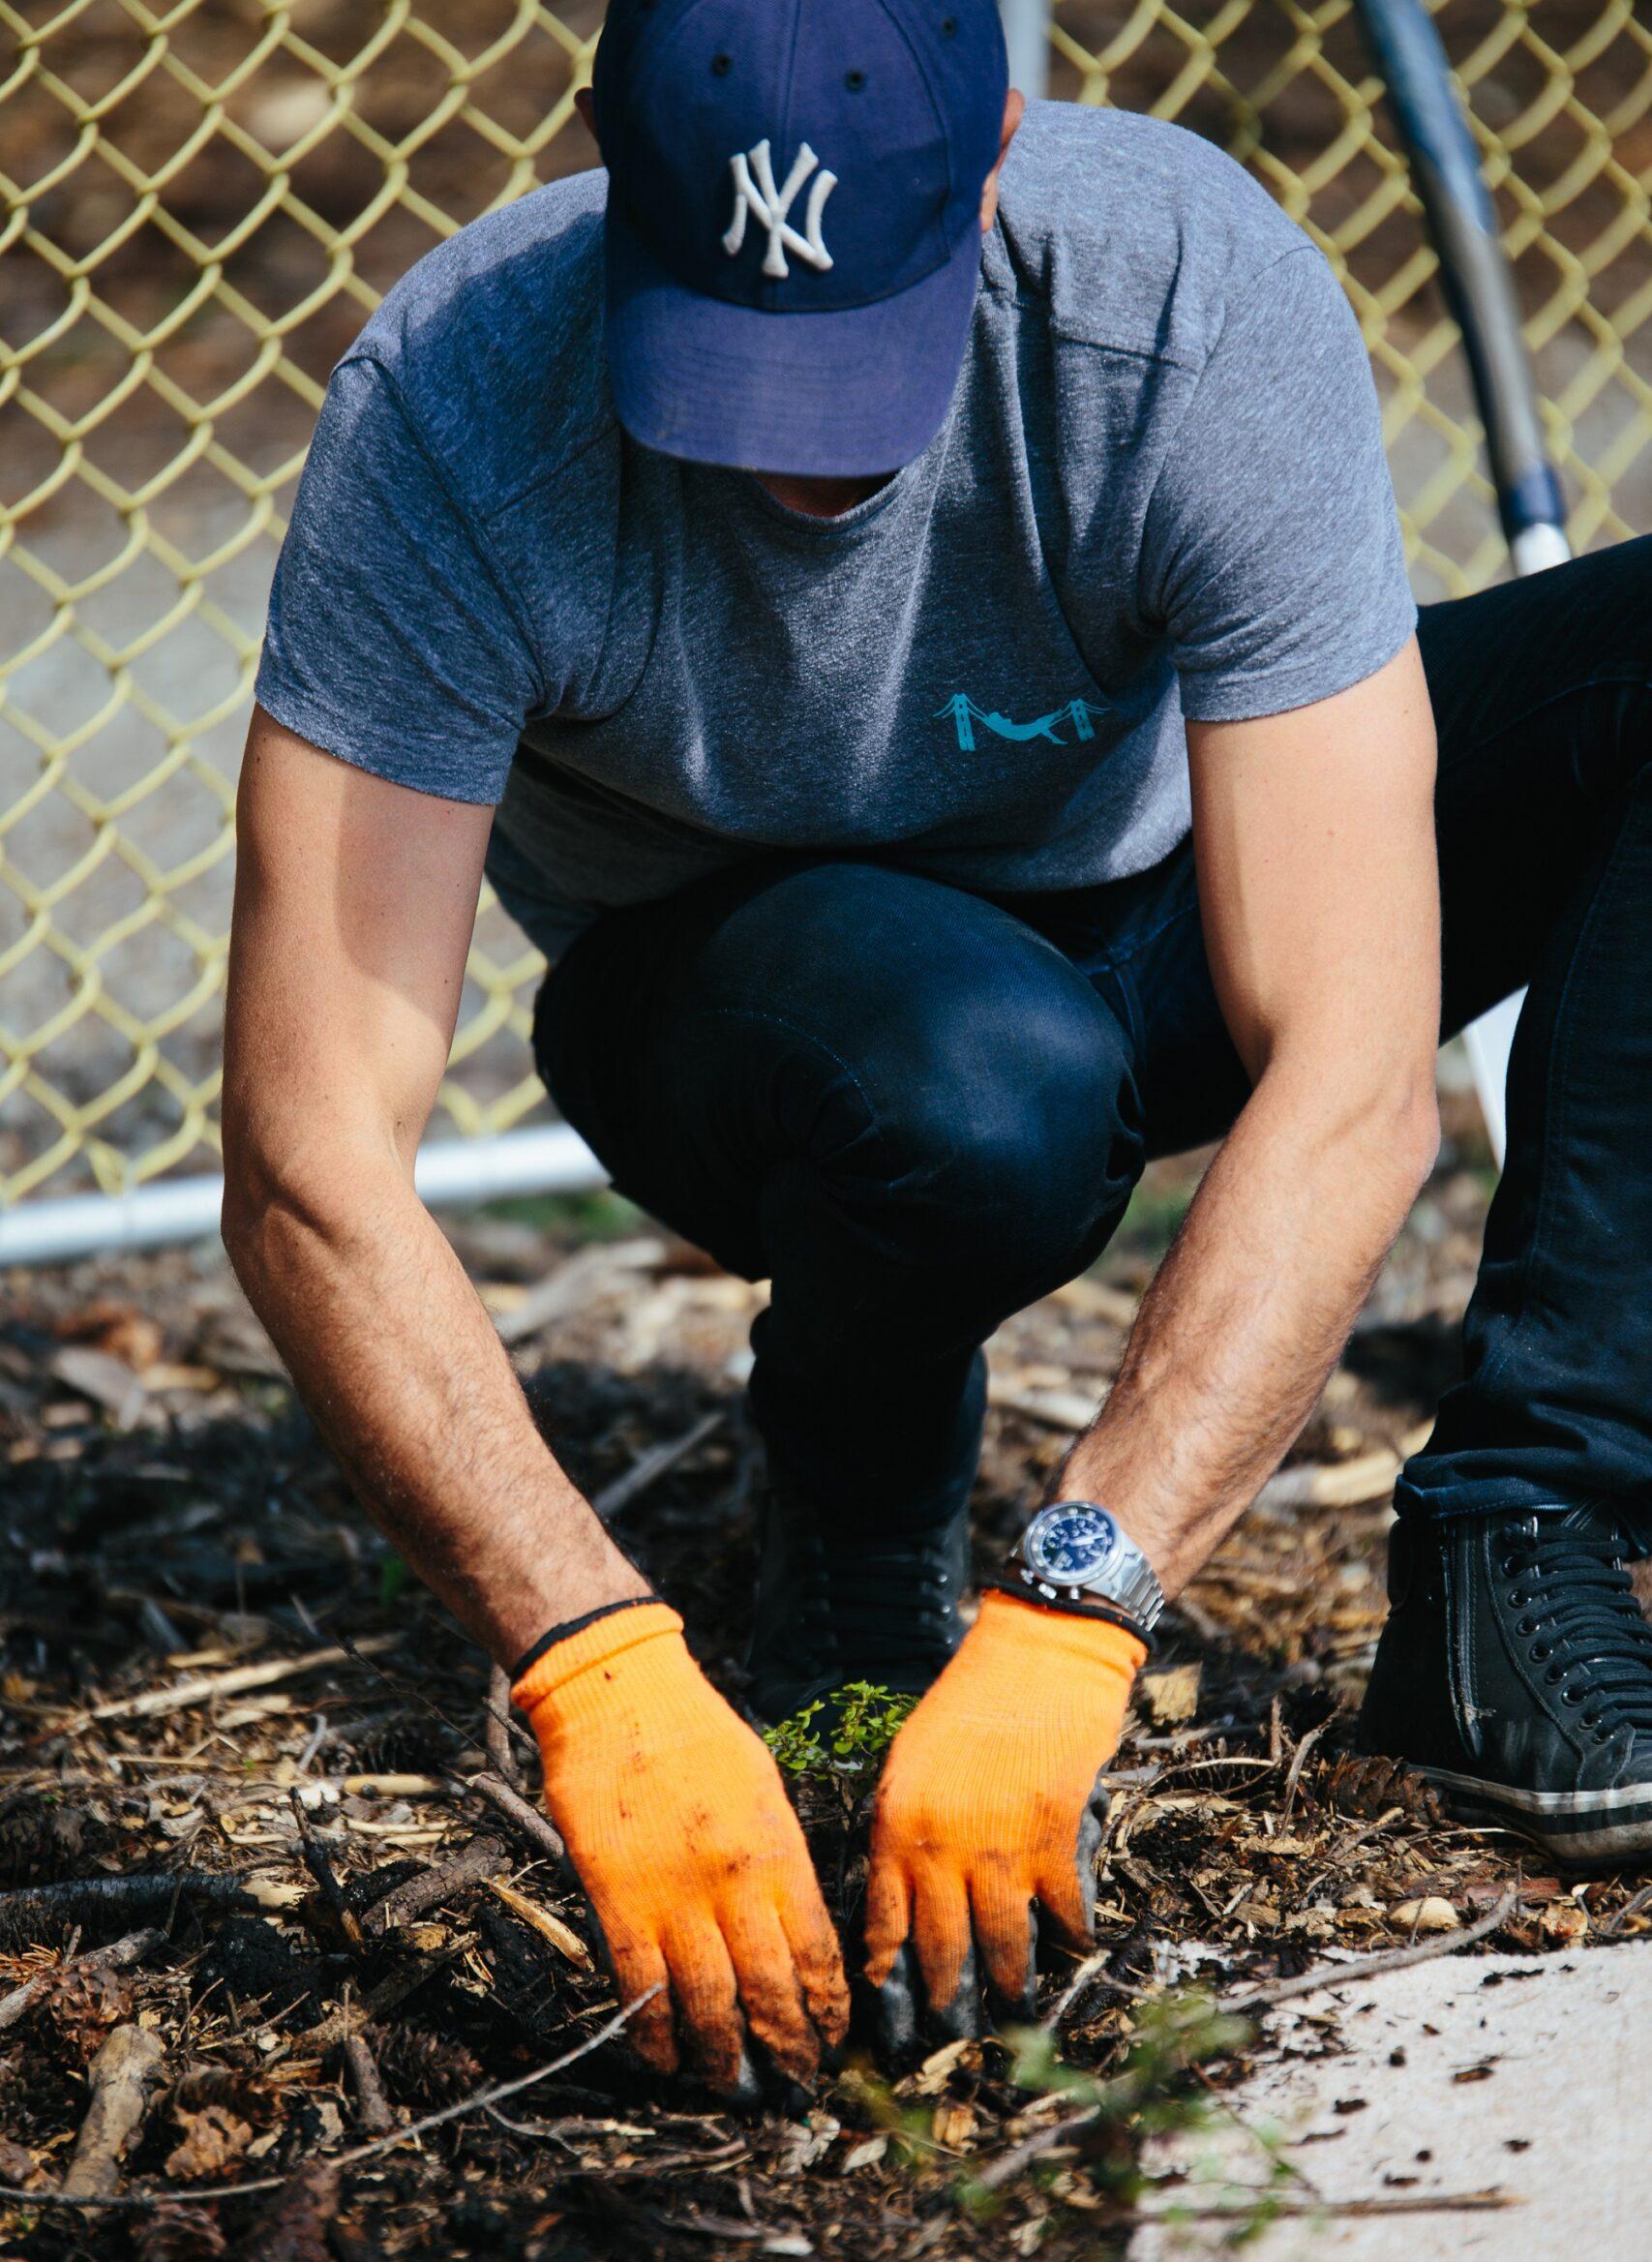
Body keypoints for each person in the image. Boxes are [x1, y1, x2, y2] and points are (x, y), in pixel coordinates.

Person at [225, 0, 1652, 2093]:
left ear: (996, 157)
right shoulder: (458, 402)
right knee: (977, 1085)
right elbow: (306, 1148)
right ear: (616, 178)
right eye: (725, 354)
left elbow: (1346, 1060)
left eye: (855, 361)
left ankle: (1513, 1539)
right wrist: (590, 1656)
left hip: (1147, 883)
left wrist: (1083, 1600)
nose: (795, 452)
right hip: (744, 991)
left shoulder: (1180, 294)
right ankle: (853, 1526)